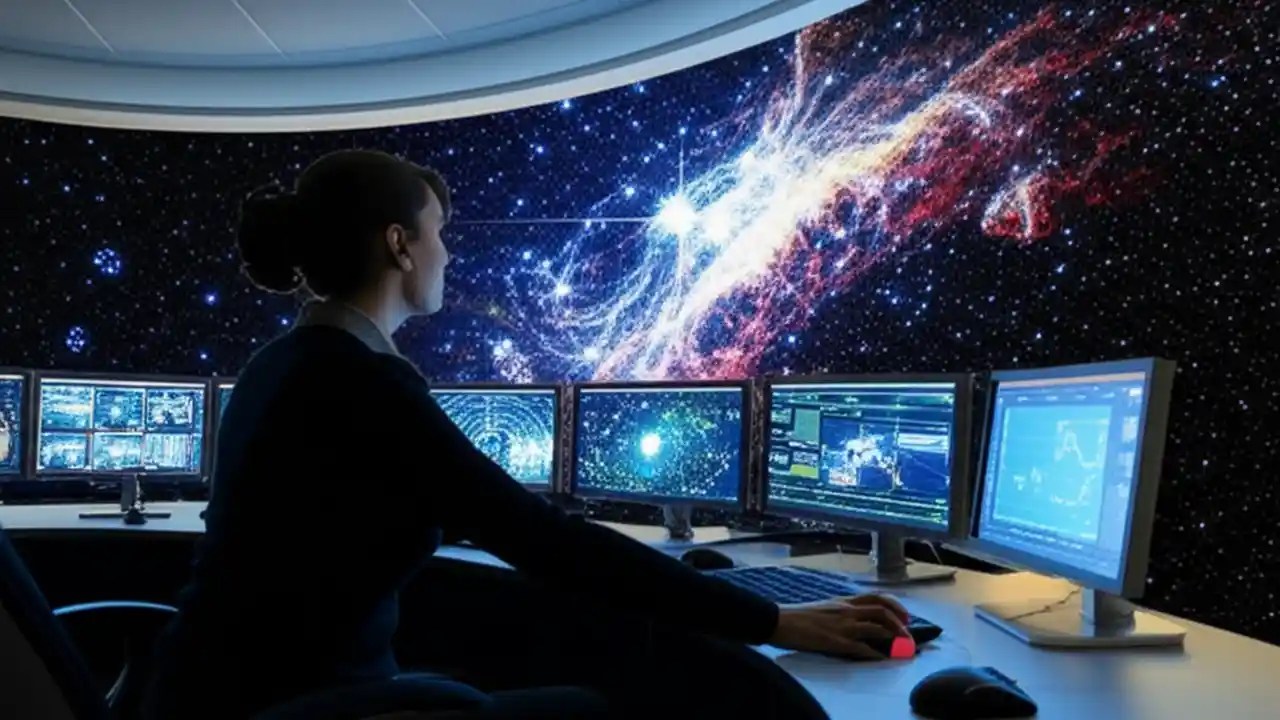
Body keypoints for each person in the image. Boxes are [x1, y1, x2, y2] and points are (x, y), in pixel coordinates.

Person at [142, 149, 912, 720]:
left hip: (202, 690)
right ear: (399, 245)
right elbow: (546, 542)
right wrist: (775, 620)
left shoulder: (280, 364)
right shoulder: (363, 382)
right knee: (594, 708)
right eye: (438, 232)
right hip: (290, 706)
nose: (448, 252)